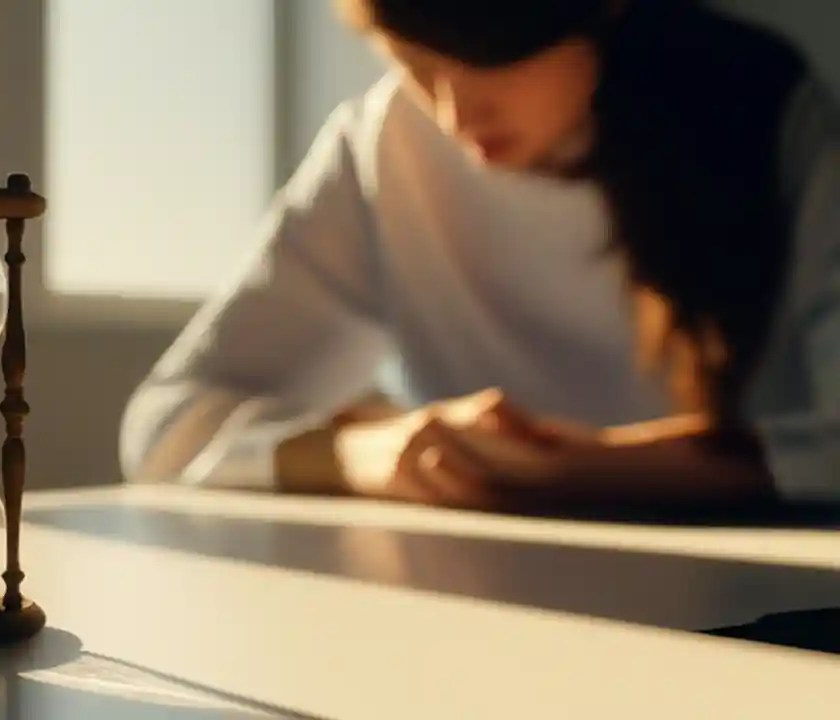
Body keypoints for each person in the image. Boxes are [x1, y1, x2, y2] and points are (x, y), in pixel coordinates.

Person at [119, 0, 840, 512]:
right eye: (414, 63)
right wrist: (374, 454)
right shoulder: (386, 143)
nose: (456, 116)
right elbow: (164, 430)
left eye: (493, 60)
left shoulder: (775, 119)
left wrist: (585, 471)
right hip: (478, 601)